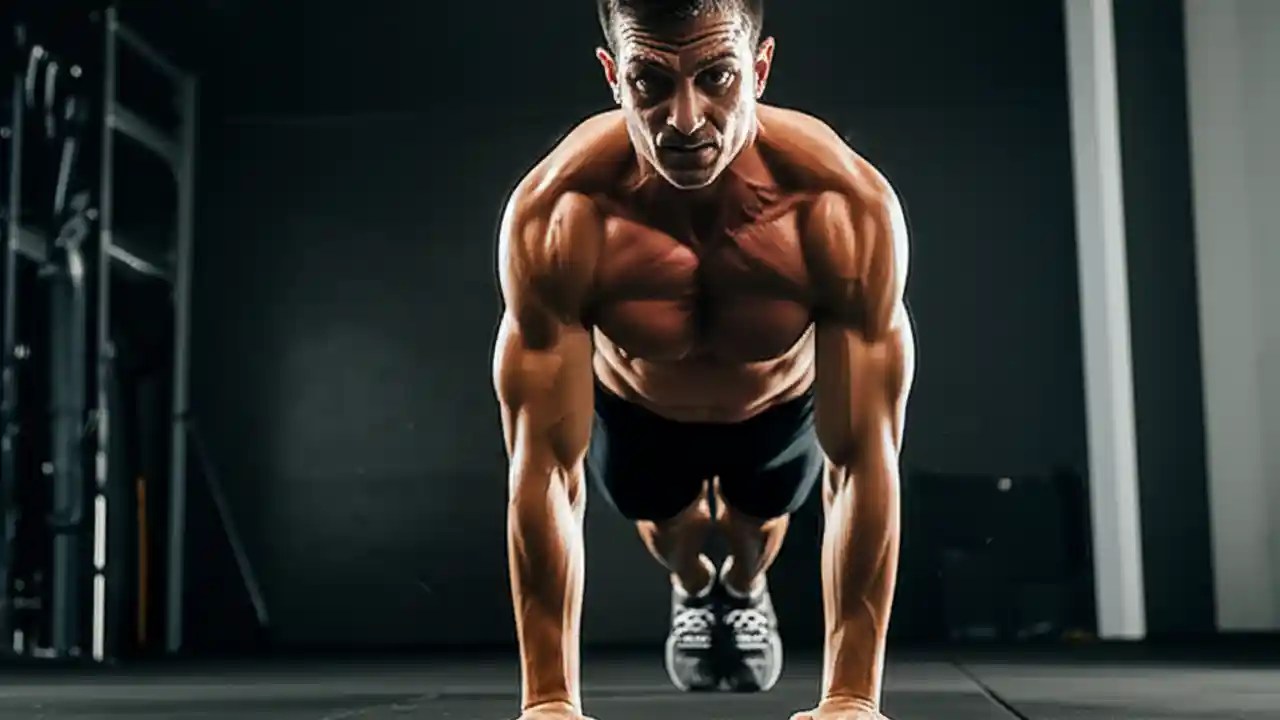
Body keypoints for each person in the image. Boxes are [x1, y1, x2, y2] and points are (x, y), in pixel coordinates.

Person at [492, 1, 915, 718]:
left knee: (755, 529)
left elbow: (863, 465)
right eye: (649, 82)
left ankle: (744, 586)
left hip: (775, 407)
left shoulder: (841, 206)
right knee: (675, 532)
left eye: (715, 76)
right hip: (637, 409)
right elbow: (545, 473)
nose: (684, 120)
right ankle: (695, 584)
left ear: (760, 68)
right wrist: (548, 705)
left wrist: (851, 701)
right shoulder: (561, 213)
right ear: (611, 76)